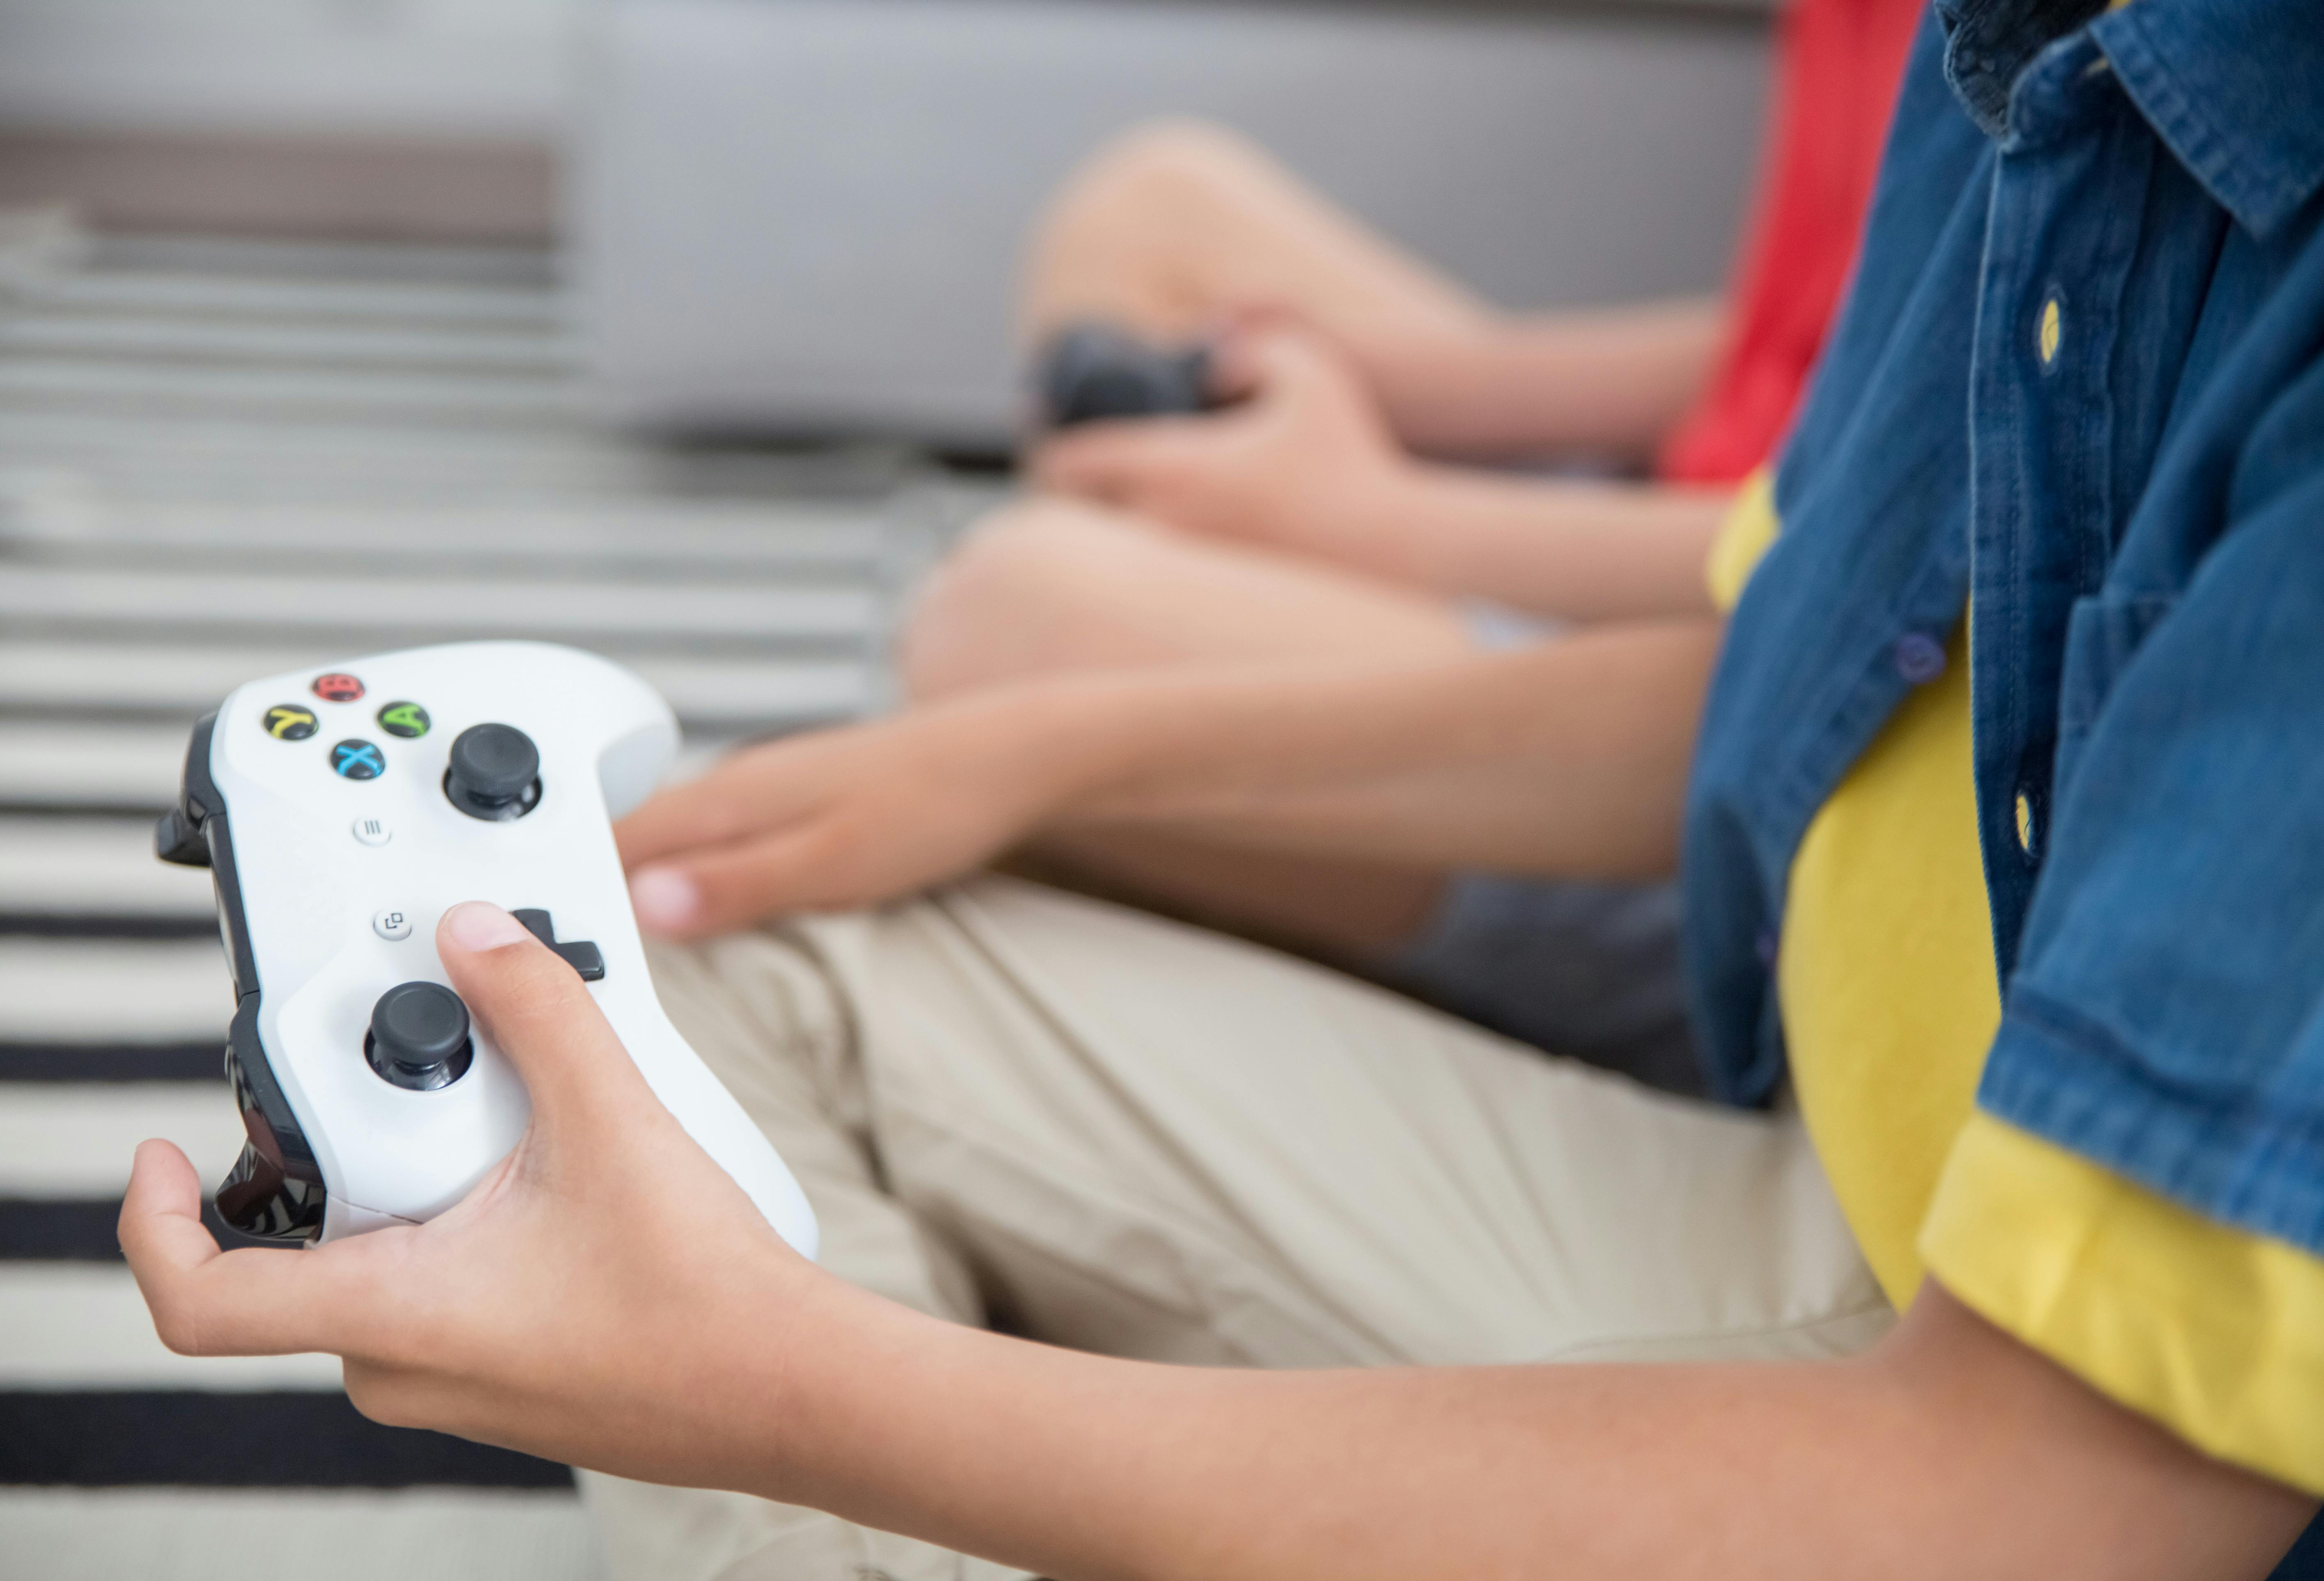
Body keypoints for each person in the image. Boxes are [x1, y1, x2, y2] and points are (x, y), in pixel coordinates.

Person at [122, 2, 2324, 1579]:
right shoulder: (2052, 54)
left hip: (1953, 1428)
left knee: (699, 1245)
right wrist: (1014, 764)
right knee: (718, 987)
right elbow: (1792, 688)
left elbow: (2033, 1507)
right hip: (1839, 1190)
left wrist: (778, 1386)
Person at [897, 0, 1923, 1089]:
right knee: (1153, 218)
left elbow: (1884, 558)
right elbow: (1831, 336)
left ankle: (1176, 804)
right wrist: (1381, 384)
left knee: (1010, 622)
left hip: (1796, 750)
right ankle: (1201, 793)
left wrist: (1370, 518)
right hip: (1705, 516)